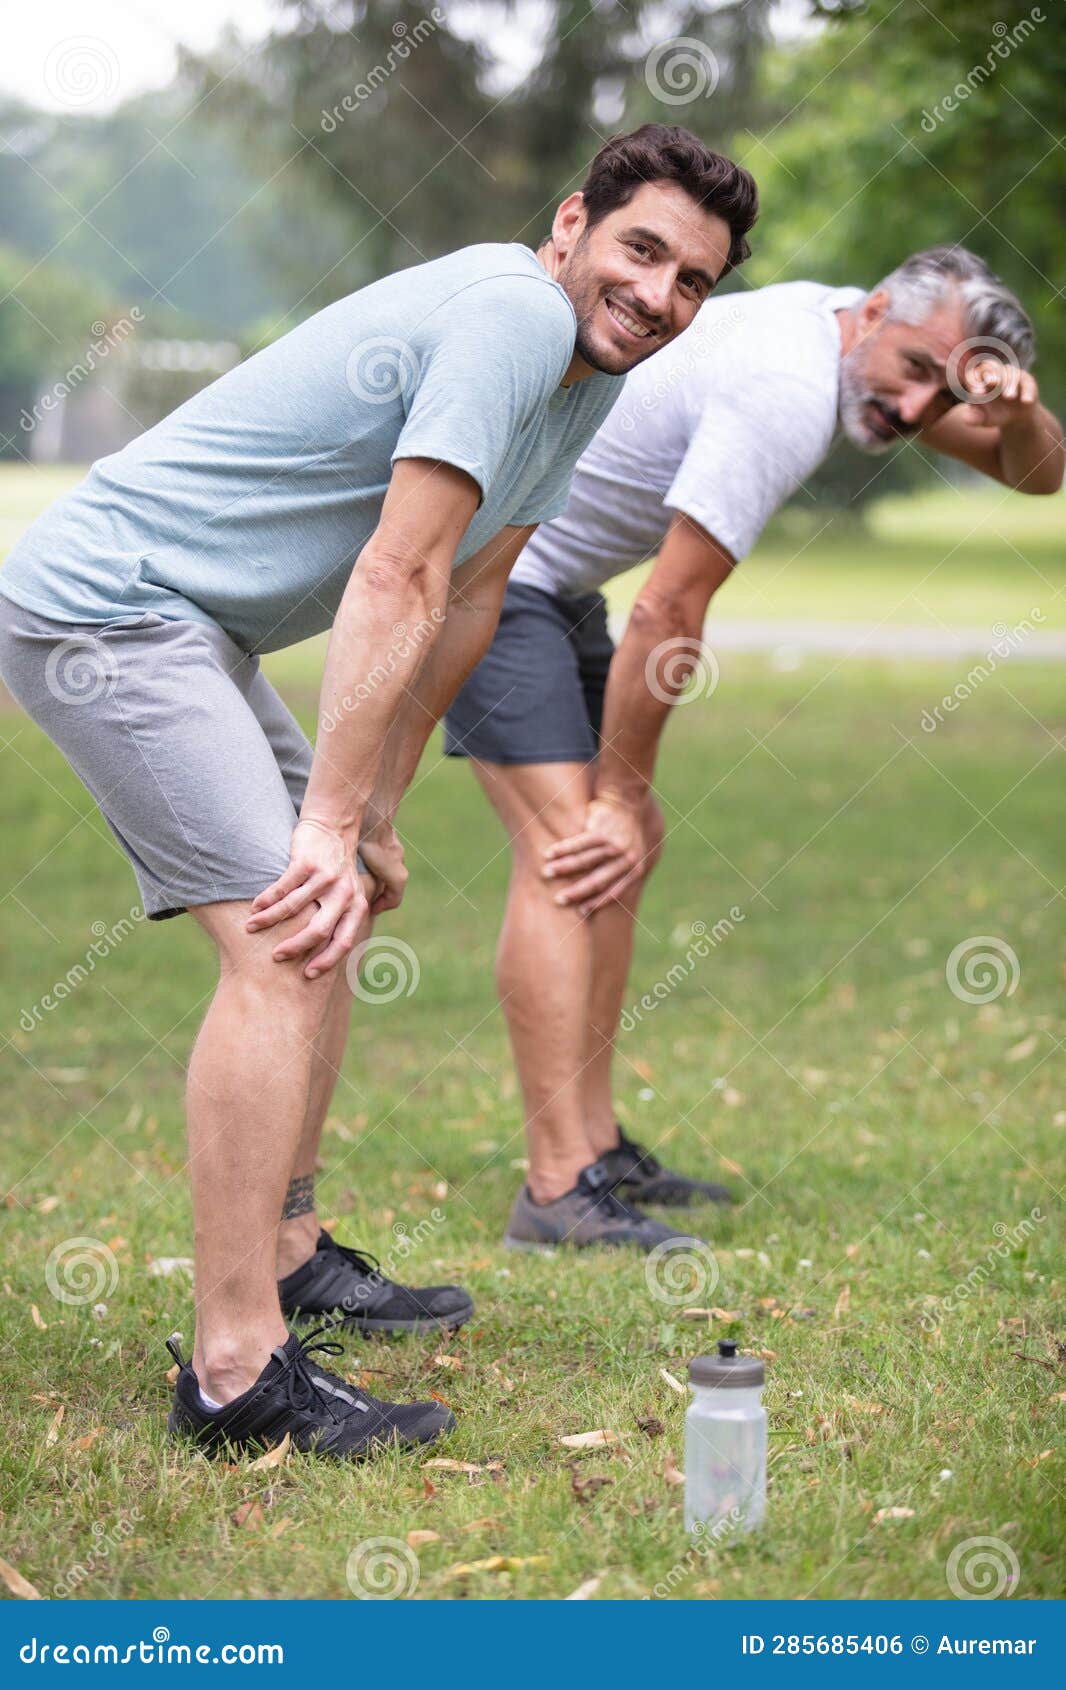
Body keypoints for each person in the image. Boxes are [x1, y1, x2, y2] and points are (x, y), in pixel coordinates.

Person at [0, 125, 758, 1460]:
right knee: (289, 937)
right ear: (574, 221)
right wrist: (325, 818)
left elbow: (473, 590)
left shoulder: (582, 382)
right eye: (641, 251)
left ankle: (286, 1252)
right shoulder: (512, 318)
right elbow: (398, 572)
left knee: (323, 909)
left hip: (189, 627)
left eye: (691, 280)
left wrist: (378, 810)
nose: (656, 295)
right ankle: (236, 1373)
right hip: (106, 611)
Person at [443, 245, 1063, 1253]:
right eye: (914, 374)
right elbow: (669, 609)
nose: (913, 412)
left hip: (546, 580)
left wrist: (1014, 405)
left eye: (941, 391)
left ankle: (593, 1146)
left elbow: (1034, 474)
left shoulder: (862, 349)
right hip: (483, 574)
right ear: (872, 314)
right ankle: (555, 1191)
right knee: (574, 855)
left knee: (623, 852)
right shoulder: (787, 385)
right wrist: (615, 792)